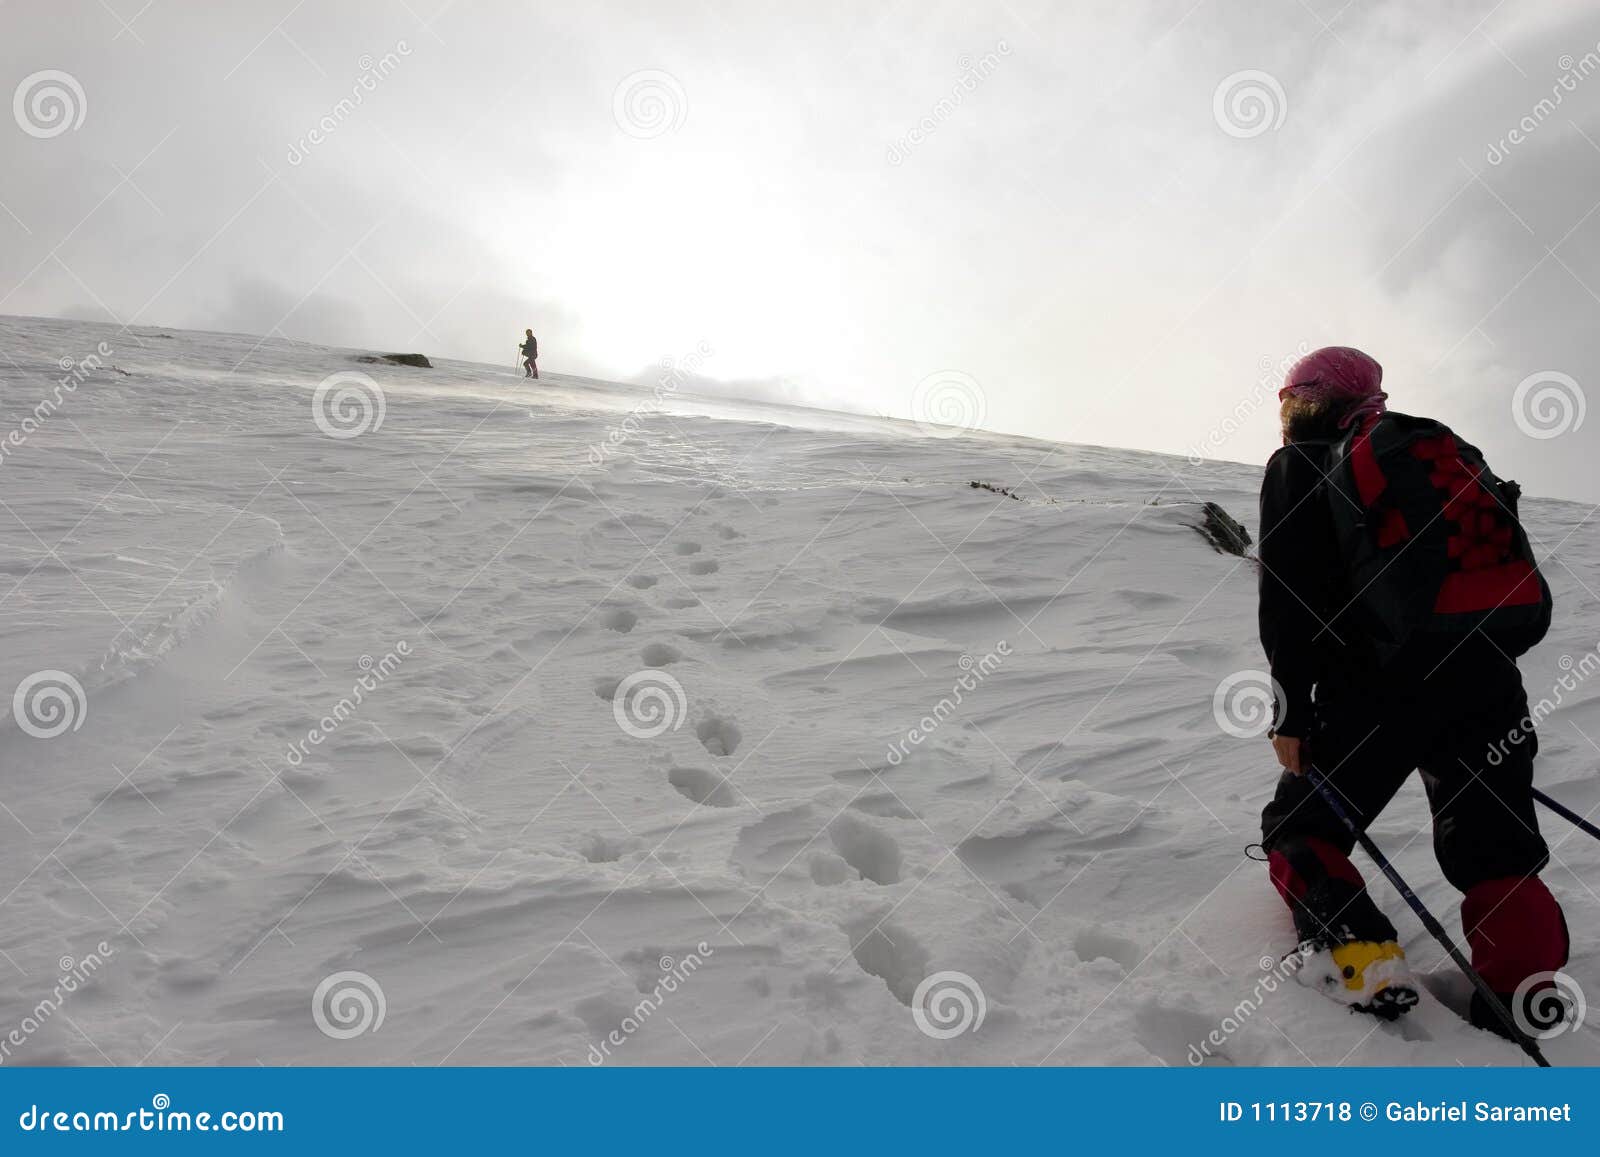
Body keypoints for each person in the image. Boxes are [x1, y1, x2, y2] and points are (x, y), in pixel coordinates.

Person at [1256, 345, 1568, 1032]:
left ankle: (1364, 958)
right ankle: (1525, 997)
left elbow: (1288, 601)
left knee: (1300, 826)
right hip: (1487, 679)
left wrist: (1291, 712)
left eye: (1291, 398)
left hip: (1374, 688)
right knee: (1497, 847)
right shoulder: (1434, 457)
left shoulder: (1300, 464)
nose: (1285, 413)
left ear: (1311, 401)